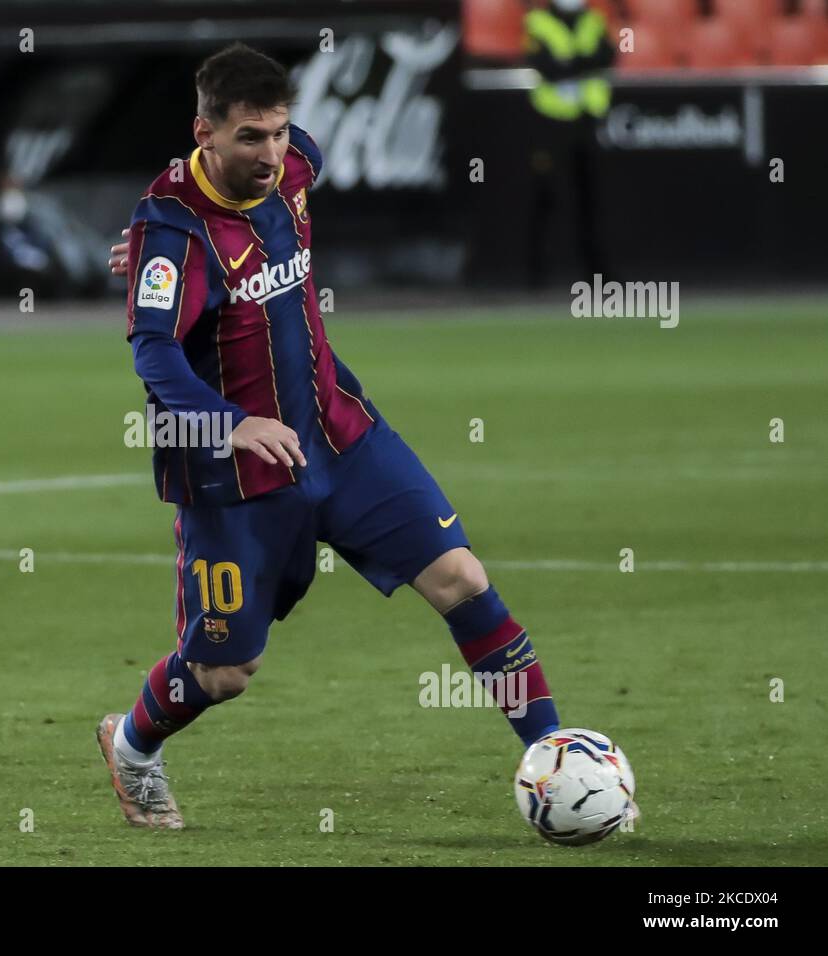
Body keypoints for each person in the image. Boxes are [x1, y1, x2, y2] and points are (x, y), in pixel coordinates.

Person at [99, 43, 564, 830]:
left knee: (462, 579)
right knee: (225, 671)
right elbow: (153, 355)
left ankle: (558, 759)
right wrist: (234, 422)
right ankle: (135, 747)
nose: (272, 153)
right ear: (203, 132)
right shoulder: (174, 232)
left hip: (340, 434)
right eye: (250, 137)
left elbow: (284, 172)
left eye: (279, 132)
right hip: (235, 476)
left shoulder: (297, 164)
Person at [523, 0, 616, 287]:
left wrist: (570, 63)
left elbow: (608, 55)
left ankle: (597, 276)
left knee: (590, 202)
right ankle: (537, 275)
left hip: (585, 122)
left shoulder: (594, 21)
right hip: (550, 122)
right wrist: (583, 62)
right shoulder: (537, 21)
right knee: (545, 198)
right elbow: (545, 67)